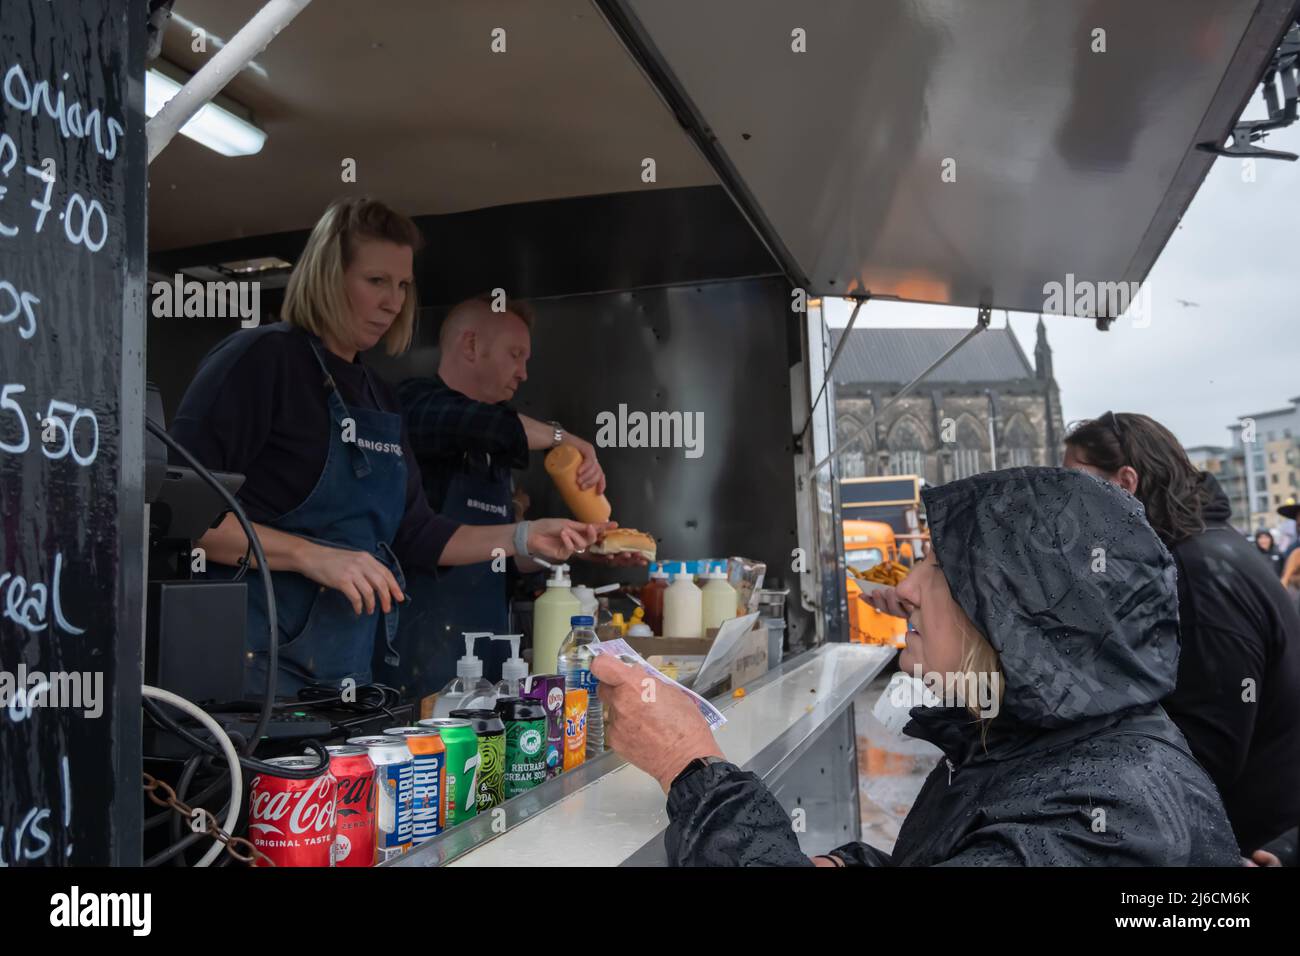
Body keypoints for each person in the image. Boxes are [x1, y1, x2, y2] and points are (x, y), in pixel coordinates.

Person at [594, 467, 1240, 866]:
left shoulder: (1103, 820)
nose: (905, 588)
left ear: (1018, 609)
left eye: (937, 565)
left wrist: (691, 766)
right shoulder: (1031, 742)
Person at [171, 197, 600, 698]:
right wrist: (312, 556)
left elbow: (419, 534)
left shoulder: (380, 396)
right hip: (249, 679)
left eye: (402, 285)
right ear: (329, 276)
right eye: (376, 281)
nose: (393, 302)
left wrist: (525, 537)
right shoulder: (261, 360)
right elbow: (183, 521)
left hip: (346, 677)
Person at [1063, 412, 1300, 859]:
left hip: (1251, 842)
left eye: (1076, 484)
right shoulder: (1197, 549)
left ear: (1126, 483)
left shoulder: (1196, 570)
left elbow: (1209, 745)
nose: (1068, 505)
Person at [390, 293, 636, 698]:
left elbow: (499, 551)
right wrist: (566, 439)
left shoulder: (494, 453)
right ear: (471, 346)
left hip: (489, 658)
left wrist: (573, 548)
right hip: (420, 657)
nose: (523, 373)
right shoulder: (414, 404)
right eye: (515, 355)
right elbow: (482, 424)